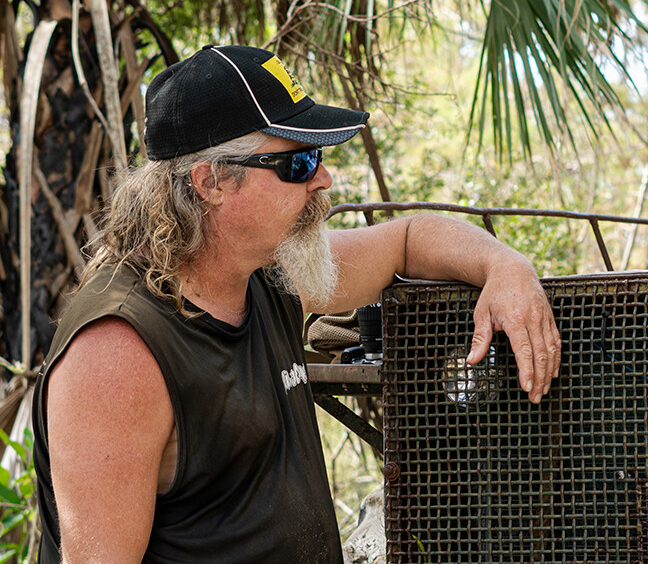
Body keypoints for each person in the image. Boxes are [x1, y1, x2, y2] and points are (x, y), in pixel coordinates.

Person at [31, 44, 562, 563]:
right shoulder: (118, 353)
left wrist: (506, 268)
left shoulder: (266, 274)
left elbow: (409, 238)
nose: (323, 179)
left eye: (320, 157)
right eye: (299, 162)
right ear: (210, 181)